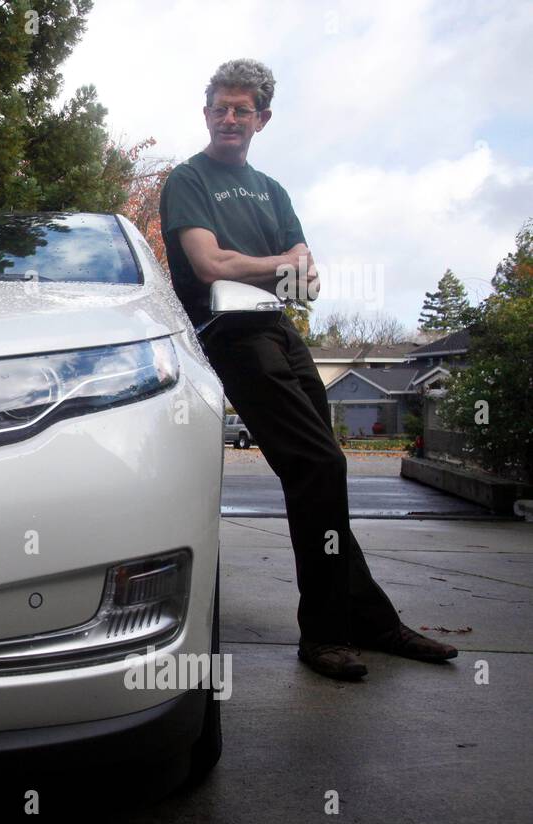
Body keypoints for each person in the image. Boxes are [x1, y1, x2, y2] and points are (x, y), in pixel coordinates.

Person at [158, 58, 457, 680]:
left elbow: (305, 278)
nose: (230, 117)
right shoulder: (188, 180)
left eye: (243, 109)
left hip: (278, 329)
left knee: (319, 474)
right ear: (206, 112)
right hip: (229, 334)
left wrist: (275, 266)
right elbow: (210, 265)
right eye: (220, 106)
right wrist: (279, 263)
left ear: (262, 118)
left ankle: (370, 620)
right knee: (318, 465)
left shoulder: (273, 190)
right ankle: (324, 635)